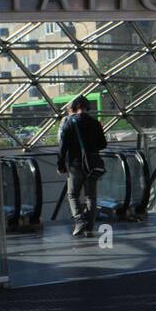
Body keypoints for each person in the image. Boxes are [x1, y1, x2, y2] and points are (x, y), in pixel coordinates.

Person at [56, 96, 107, 237]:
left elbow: (62, 147)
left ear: (75, 106)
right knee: (91, 196)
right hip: (92, 165)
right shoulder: (95, 123)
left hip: (75, 165)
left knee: (72, 195)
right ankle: (90, 226)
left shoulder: (69, 122)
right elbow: (103, 144)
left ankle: (79, 222)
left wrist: (61, 165)